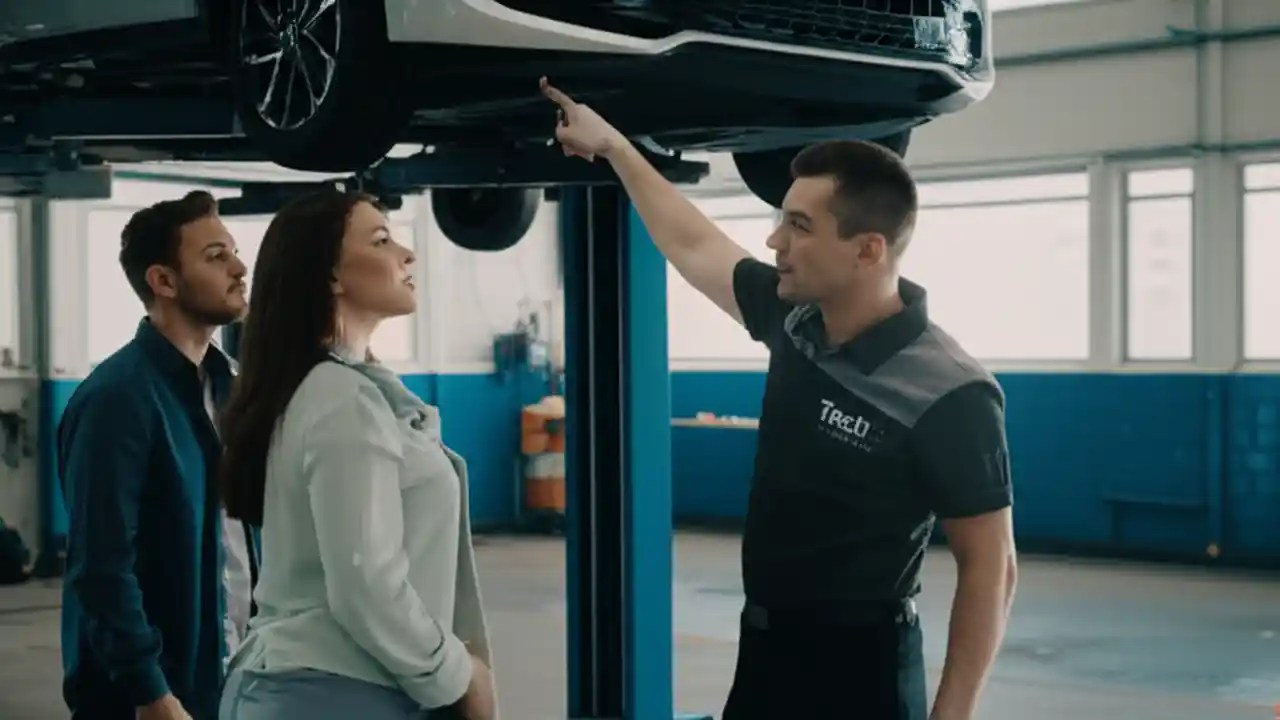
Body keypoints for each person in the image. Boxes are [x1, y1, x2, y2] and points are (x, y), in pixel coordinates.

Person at [540, 78, 1019, 720]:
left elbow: (990, 567)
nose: (775, 243)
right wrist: (615, 148)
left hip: (860, 673)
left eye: (798, 226)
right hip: (765, 650)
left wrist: (952, 715)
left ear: (868, 250)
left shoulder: (952, 391)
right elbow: (694, 243)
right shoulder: (794, 322)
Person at [215, 190, 498, 720]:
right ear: (331, 275)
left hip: (319, 686)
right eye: (382, 240)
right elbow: (365, 584)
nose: (407, 255)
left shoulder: (335, 388)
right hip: (330, 692)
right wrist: (457, 675)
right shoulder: (340, 398)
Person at [58, 190, 255, 720]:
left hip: (229, 677)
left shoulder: (229, 388)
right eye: (215, 256)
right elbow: (101, 565)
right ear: (164, 281)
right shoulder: (117, 398)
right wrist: (150, 692)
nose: (239, 269)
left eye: (234, 252)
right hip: (151, 701)